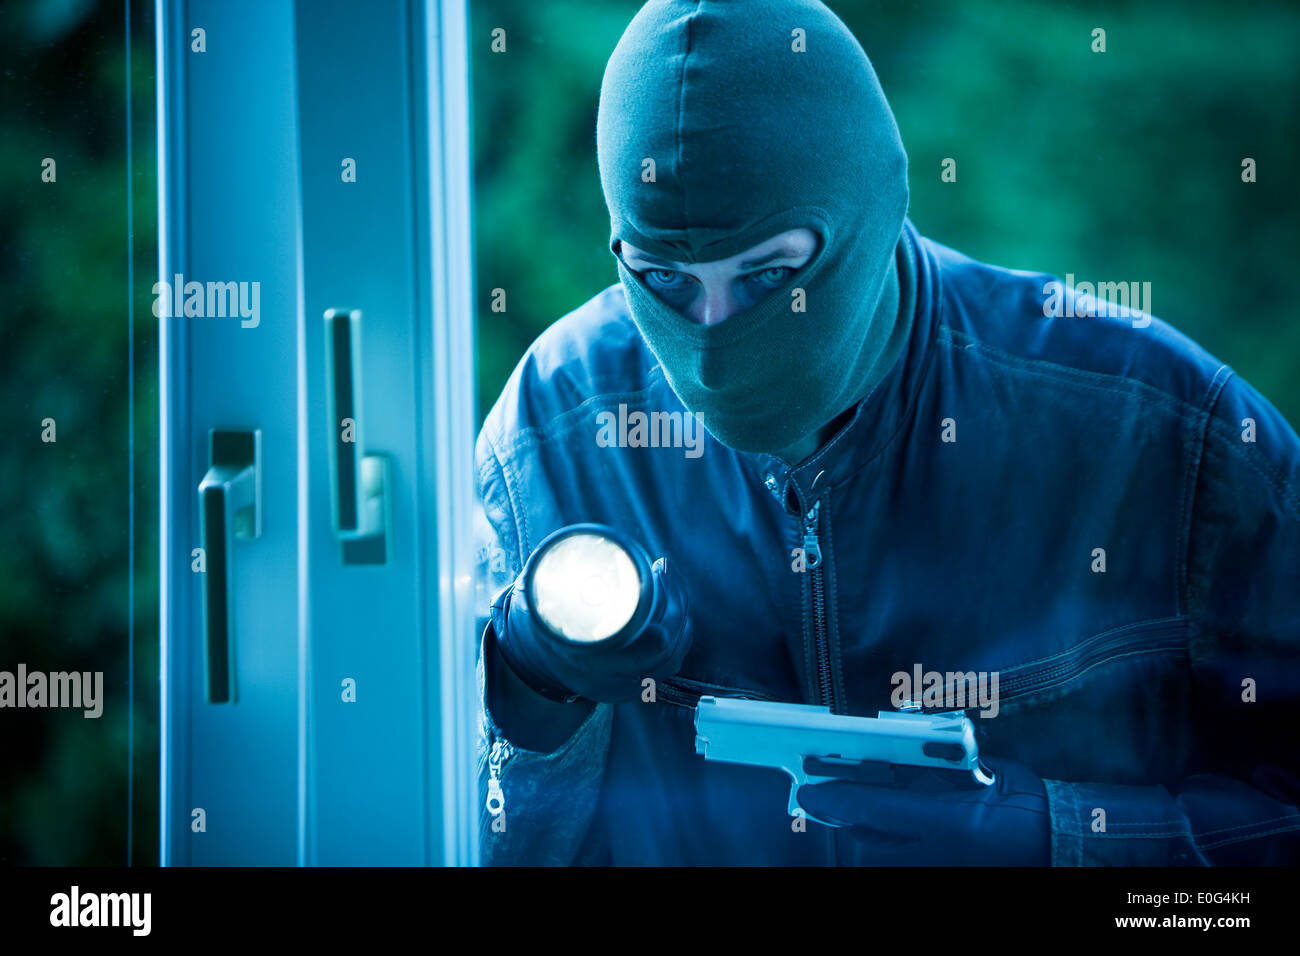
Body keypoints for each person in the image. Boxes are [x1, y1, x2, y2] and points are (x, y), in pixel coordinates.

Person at [472, 0, 1300, 865]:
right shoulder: (557, 432)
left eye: (769, 276)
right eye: (664, 279)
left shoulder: (1156, 426)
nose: (713, 342)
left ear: (868, 213)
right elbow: (455, 826)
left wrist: (1058, 840)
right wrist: (524, 705)